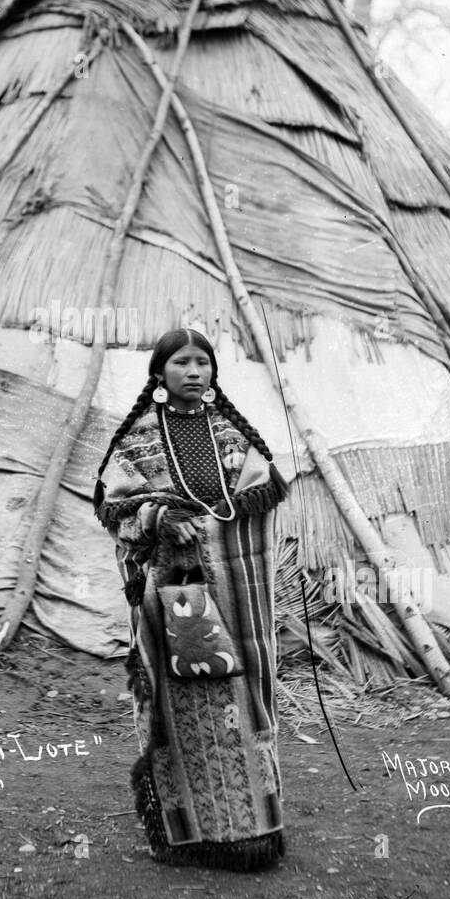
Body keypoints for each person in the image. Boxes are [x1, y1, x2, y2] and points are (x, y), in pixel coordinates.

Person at [94, 327, 290, 870]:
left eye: (203, 362)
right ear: (159, 373)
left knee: (244, 693)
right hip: (170, 593)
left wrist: (204, 525)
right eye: (181, 362)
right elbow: (118, 510)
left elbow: (259, 492)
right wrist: (158, 518)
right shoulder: (135, 441)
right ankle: (187, 837)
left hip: (235, 595)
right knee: (176, 700)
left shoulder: (231, 434)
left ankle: (254, 834)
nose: (194, 371)